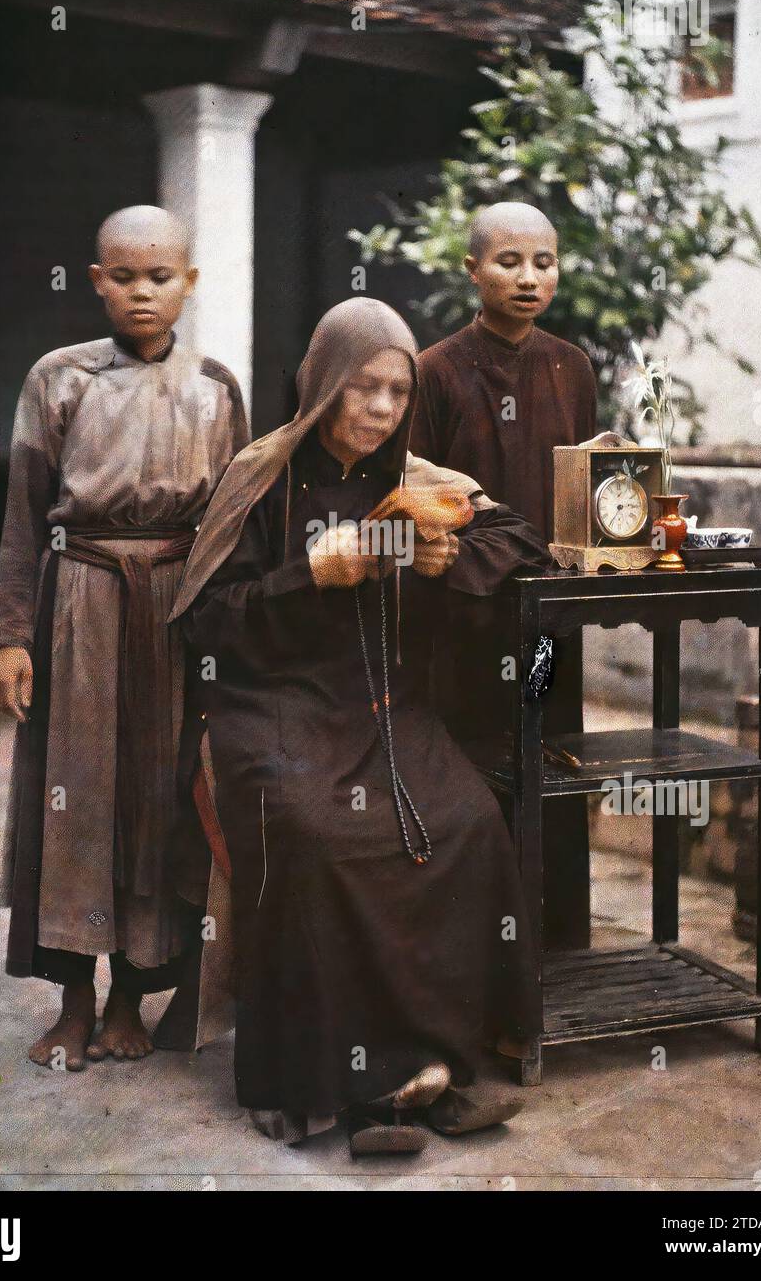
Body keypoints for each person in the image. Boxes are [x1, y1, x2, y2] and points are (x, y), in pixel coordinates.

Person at [169, 296, 550, 1155]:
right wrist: (308, 573)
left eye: (396, 392)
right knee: (313, 836)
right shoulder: (262, 476)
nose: (380, 410)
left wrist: (441, 557)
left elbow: (519, 542)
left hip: (380, 703)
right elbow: (208, 624)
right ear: (322, 385)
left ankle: (435, 1065)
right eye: (362, 389)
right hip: (272, 709)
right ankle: (325, 1083)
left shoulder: (410, 480)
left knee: (466, 821)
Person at [0, 205, 248, 1071]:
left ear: (189, 282)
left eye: (160, 277)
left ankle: (134, 998)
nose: (143, 293)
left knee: (162, 794)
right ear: (97, 281)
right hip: (82, 606)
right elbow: (25, 514)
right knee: (76, 797)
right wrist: (10, 635)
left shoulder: (215, 386)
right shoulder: (57, 381)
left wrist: (227, 639)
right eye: (124, 277)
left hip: (176, 613)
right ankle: (72, 1001)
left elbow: (233, 524)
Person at [410, 201, 597, 950]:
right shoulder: (434, 371)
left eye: (542, 262)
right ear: (471, 269)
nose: (527, 277)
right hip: (464, 617)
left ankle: (558, 952)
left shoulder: (570, 366)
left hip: (552, 615)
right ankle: (474, 957)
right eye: (507, 261)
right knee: (474, 775)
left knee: (553, 763)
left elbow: (584, 484)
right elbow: (416, 492)